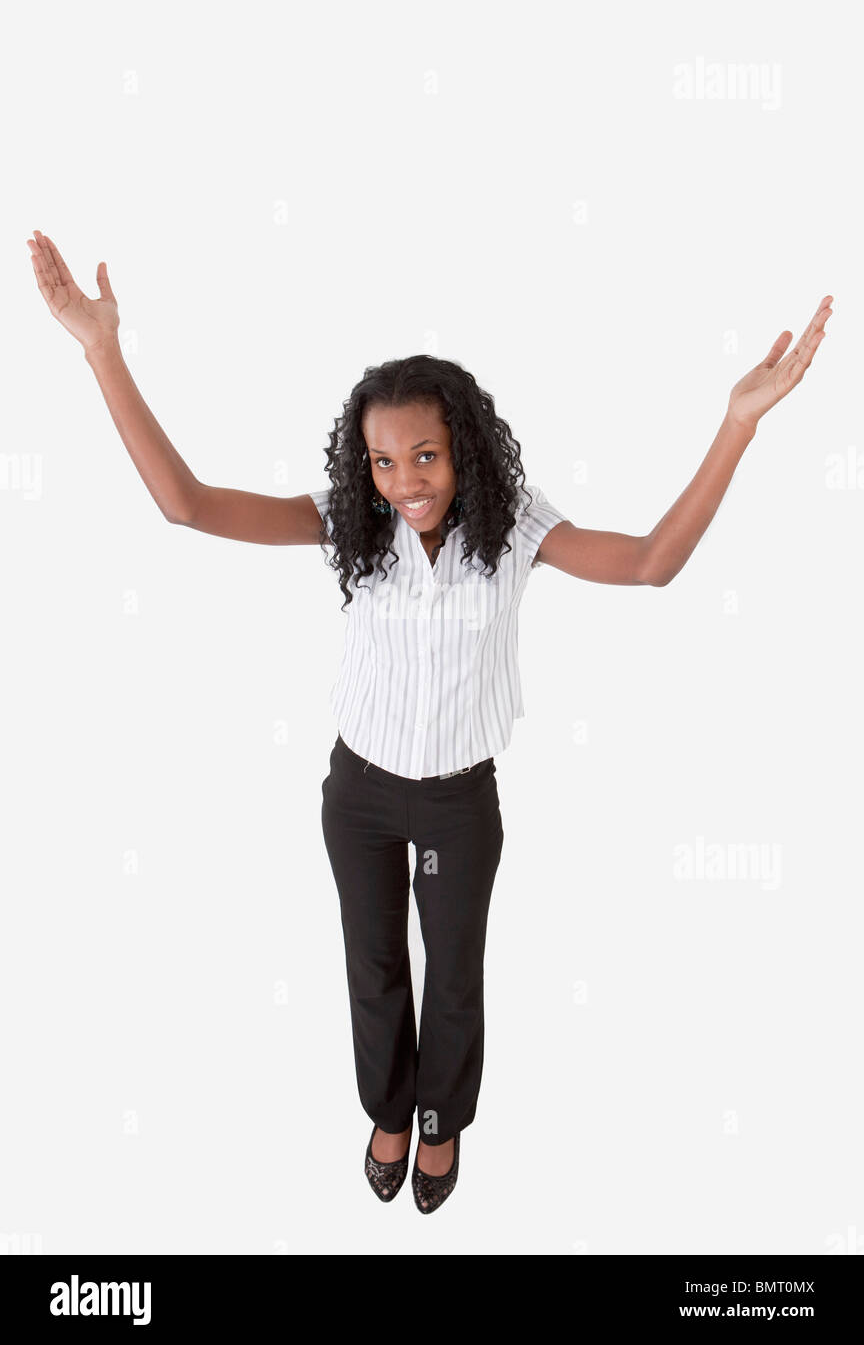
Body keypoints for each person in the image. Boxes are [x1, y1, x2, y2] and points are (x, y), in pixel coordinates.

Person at [27, 229, 832, 1214]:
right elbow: (185, 504)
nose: (403, 478)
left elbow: (654, 560)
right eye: (381, 459)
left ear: (464, 450)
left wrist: (738, 421)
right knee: (373, 969)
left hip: (457, 800)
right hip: (358, 793)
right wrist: (103, 348)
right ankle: (390, 1109)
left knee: (450, 977)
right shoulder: (348, 524)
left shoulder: (517, 528)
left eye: (423, 454)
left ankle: (442, 1118)